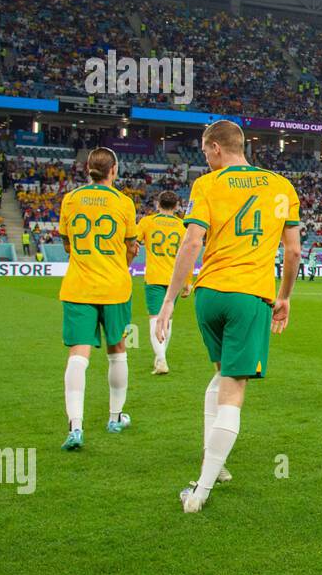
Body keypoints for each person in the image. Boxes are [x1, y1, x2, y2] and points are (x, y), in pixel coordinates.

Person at [156, 120, 302, 513]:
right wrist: (284, 296)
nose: (205, 158)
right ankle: (200, 490)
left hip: (209, 295)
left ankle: (214, 465)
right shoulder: (281, 187)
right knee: (234, 390)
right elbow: (293, 253)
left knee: (220, 378)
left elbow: (191, 242)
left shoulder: (207, 185)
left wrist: (169, 300)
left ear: (217, 148)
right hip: (250, 296)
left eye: (205, 152)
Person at [57, 147, 140, 451]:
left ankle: (75, 426)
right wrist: (121, 262)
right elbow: (131, 247)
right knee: (117, 350)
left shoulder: (71, 199)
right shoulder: (124, 203)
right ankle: (115, 417)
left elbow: (67, 244)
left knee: (78, 356)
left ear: (87, 168)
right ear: (113, 171)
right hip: (115, 287)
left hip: (79, 287)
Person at [137, 190, 193, 375]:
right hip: (174, 279)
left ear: (157, 204)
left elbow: (133, 243)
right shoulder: (182, 227)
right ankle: (160, 357)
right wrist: (187, 281)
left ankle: (161, 359)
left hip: (154, 277)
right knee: (167, 318)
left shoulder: (147, 222)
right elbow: (188, 256)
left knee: (155, 317)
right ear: (177, 206)